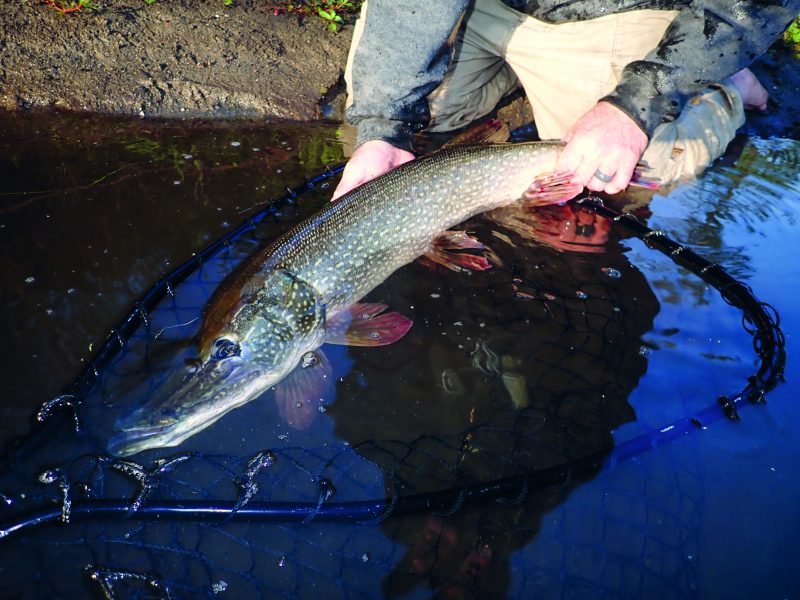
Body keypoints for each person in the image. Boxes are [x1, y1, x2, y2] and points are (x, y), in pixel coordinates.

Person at [333, 0, 798, 201]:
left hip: (617, 10)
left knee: (627, 175)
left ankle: (726, 82)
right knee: (401, 129)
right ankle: (523, 72)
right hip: (490, 8)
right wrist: (384, 122)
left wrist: (635, 105)